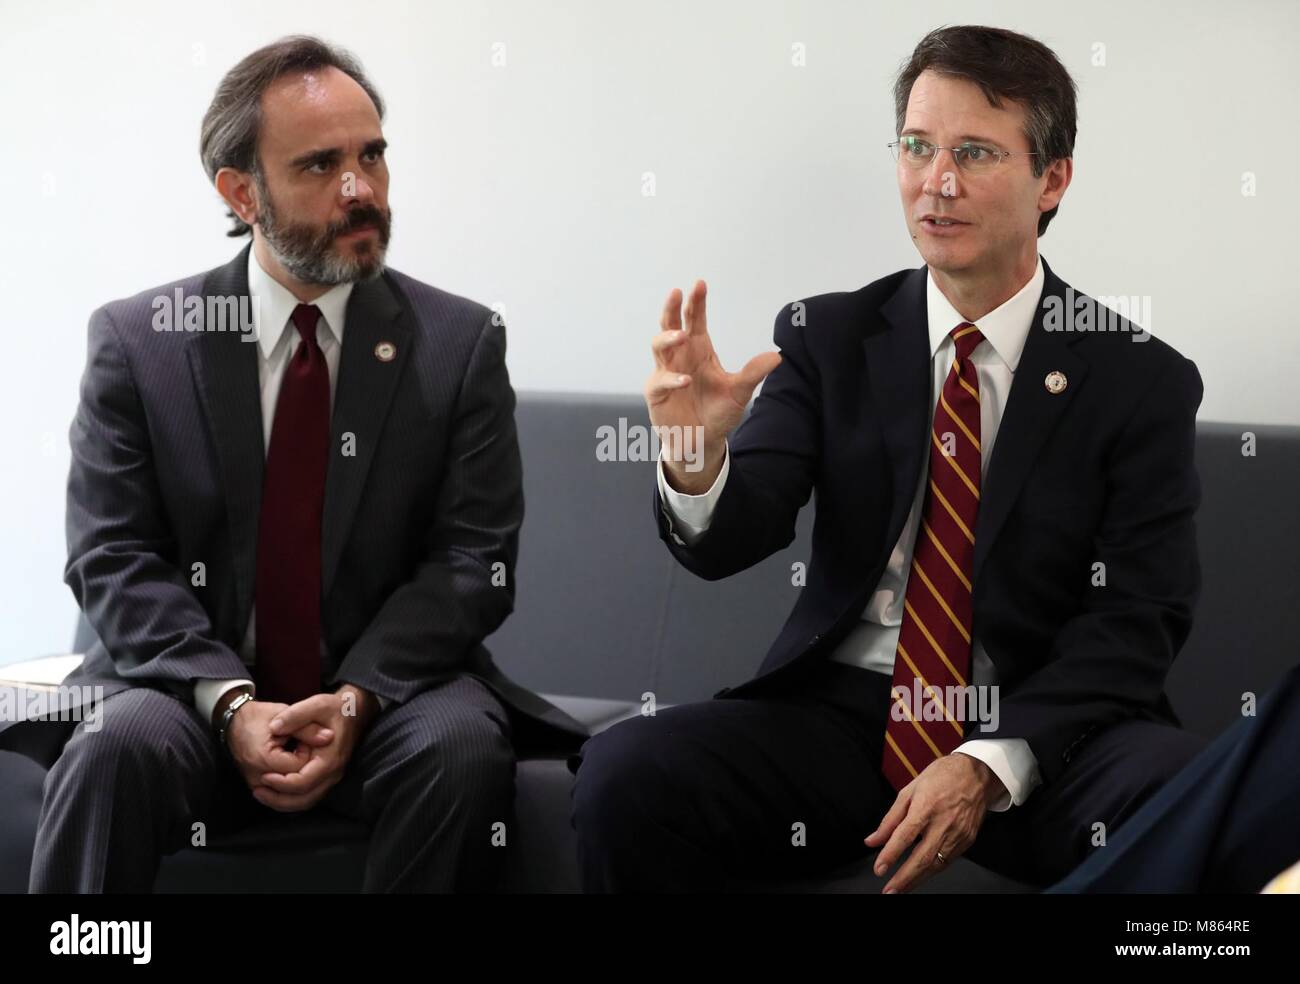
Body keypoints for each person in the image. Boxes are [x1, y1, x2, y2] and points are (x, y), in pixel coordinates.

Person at [571, 24, 1208, 893]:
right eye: (917, 146)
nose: (935, 183)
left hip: (1044, 728)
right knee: (628, 773)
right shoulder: (830, 335)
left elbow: (1138, 619)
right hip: (843, 720)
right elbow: (732, 539)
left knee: (1182, 791)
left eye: (975, 152)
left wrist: (986, 763)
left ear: (1051, 179)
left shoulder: (1139, 378)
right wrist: (696, 450)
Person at [9, 34, 584, 893]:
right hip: (187, 697)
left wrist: (356, 699)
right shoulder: (141, 345)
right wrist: (231, 704)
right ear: (241, 193)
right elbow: (111, 557)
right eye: (321, 165)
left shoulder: (458, 345)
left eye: (372, 156)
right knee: (110, 750)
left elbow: (474, 564)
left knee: (461, 748)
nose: (362, 190)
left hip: (389, 698)